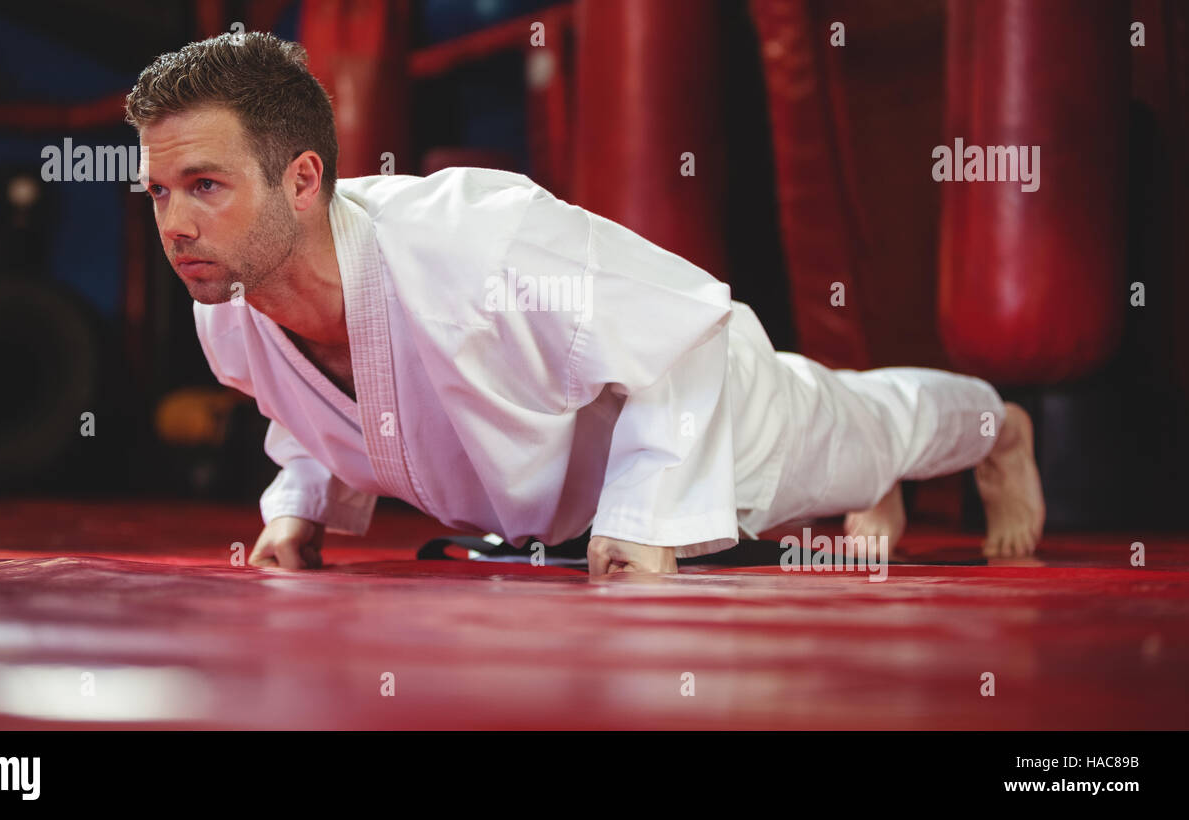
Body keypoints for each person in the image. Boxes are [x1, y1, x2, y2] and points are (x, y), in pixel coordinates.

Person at [124, 32, 1045, 577]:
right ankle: (870, 479)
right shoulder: (229, 312)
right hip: (560, 498)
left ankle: (996, 427)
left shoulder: (477, 241)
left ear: (302, 178)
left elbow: (683, 331)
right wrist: (300, 504)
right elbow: (309, 415)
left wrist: (644, 519)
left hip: (709, 415)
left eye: (204, 184)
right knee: (857, 443)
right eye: (159, 192)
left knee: (866, 423)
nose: (176, 223)